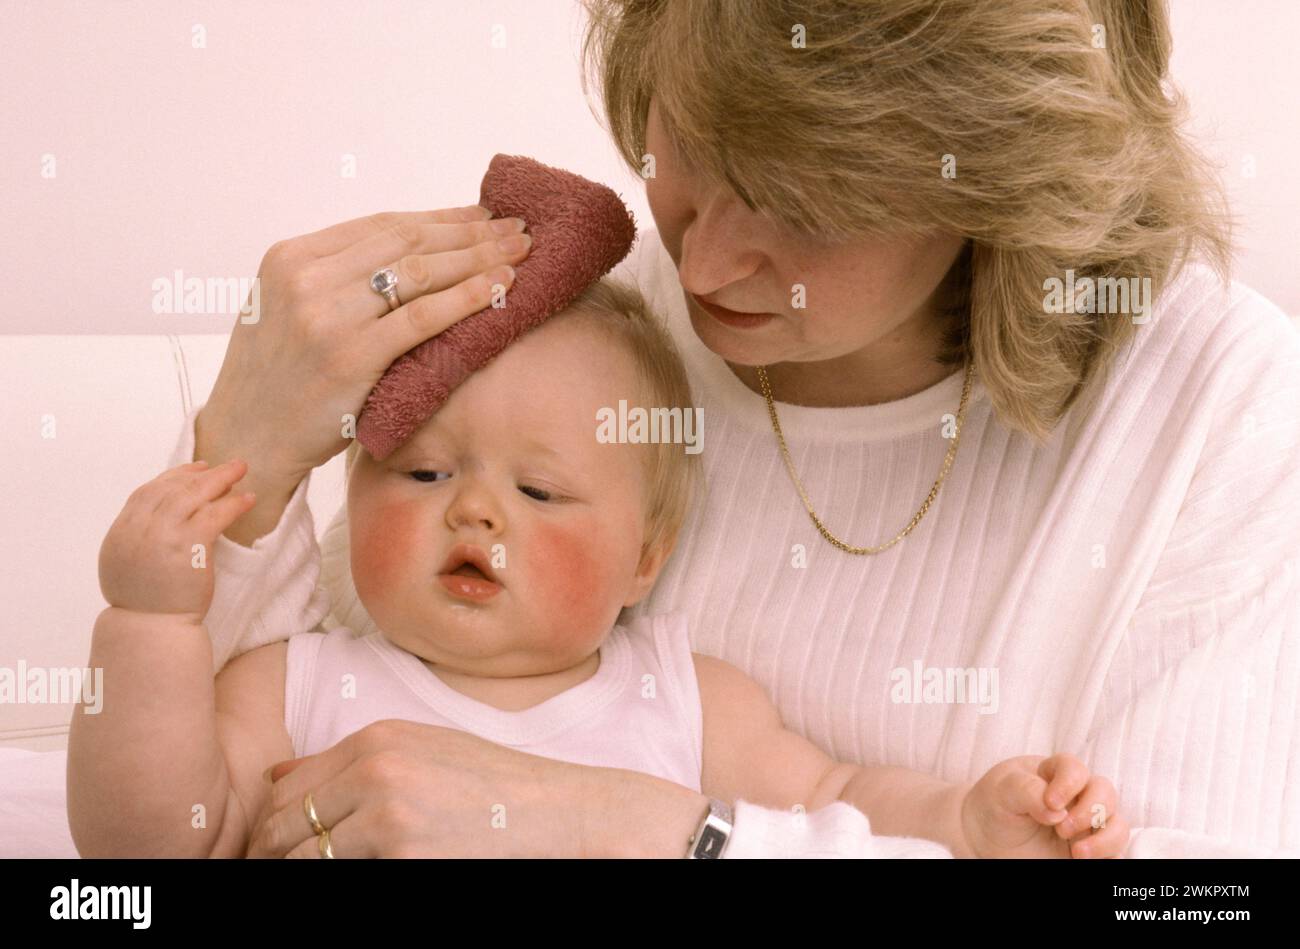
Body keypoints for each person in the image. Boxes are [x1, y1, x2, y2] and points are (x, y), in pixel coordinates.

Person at [175, 0, 1300, 857]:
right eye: (694, 155)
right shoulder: (592, 336)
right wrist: (247, 456)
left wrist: (667, 835)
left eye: (807, 206)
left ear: (1001, 187)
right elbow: (269, 765)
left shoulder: (1222, 409)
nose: (702, 264)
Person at [68, 279, 1124, 859]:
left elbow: (834, 797)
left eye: (539, 492)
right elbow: (149, 848)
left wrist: (964, 821)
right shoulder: (295, 683)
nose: (474, 508)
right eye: (424, 469)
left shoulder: (681, 695)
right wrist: (150, 624)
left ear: (643, 558)